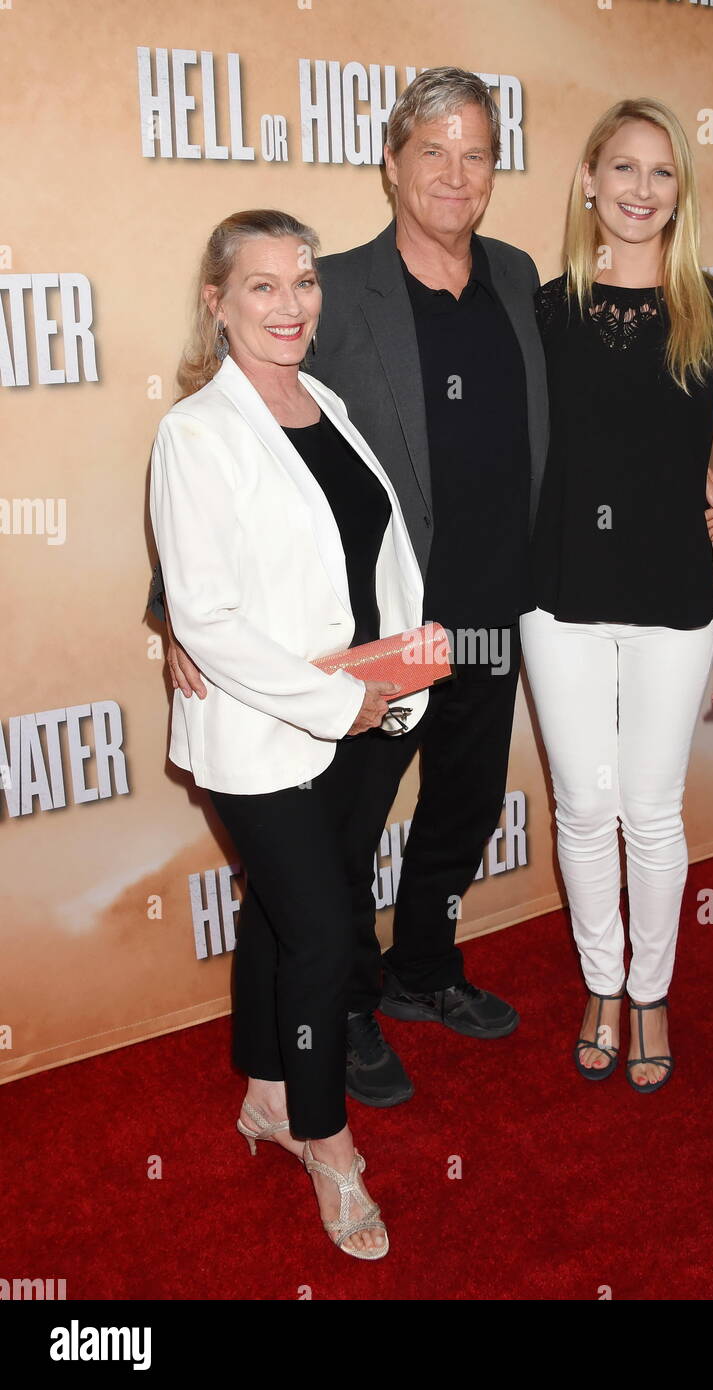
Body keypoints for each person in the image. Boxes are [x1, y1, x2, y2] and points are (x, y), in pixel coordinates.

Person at [151, 68, 713, 1109]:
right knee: (344, 834)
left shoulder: (521, 281)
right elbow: (239, 408)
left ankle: (424, 968)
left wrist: (697, 477)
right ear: (391, 161)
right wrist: (172, 608)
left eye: (477, 155)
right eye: (434, 152)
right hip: (388, 633)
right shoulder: (334, 288)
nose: (456, 175)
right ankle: (351, 1007)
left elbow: (619, 411)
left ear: (495, 173)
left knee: (459, 813)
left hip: (507, 609)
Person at [148, 209, 430, 1258]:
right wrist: (334, 702)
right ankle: (328, 1142)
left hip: (364, 711)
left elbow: (380, 553)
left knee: (281, 912)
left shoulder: (330, 402)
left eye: (303, 281)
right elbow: (208, 618)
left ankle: (266, 1091)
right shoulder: (194, 433)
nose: (290, 303)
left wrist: (398, 677)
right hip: (266, 733)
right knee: (320, 932)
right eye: (260, 286)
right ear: (217, 304)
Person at [520, 98, 713, 1092]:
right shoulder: (541, 309)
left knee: (652, 812)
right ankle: (602, 983)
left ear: (682, 192)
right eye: (621, 168)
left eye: (661, 173)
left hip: (674, 591)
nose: (639, 189)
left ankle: (652, 988)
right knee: (584, 804)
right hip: (556, 591)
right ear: (588, 180)